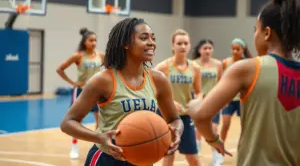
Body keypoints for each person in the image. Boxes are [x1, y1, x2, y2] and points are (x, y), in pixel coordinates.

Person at [187, 0, 300, 166]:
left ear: (267, 33)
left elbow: (200, 115)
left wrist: (213, 138)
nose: (254, 35)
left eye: (255, 29)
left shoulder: (248, 69)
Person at [60, 18, 184, 166]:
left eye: (153, 38)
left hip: (143, 159)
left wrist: (176, 131)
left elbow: (174, 119)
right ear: (125, 44)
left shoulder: (159, 80)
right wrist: (98, 137)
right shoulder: (102, 80)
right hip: (107, 158)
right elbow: (67, 122)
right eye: (144, 38)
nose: (151, 43)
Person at [56, 28, 104, 159]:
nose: (94, 43)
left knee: (100, 119)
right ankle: (74, 146)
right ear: (84, 42)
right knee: (76, 120)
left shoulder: (100, 55)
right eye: (91, 40)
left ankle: (98, 146)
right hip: (81, 90)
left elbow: (111, 68)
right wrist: (72, 82)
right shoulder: (78, 56)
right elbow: (59, 69)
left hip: (97, 92)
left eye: (95, 40)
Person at [156, 29, 201, 166]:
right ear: (172, 46)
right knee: (169, 154)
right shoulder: (163, 67)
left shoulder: (195, 68)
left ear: (189, 45)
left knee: (193, 158)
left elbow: (199, 92)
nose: (182, 46)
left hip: (185, 117)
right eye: (179, 43)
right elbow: (150, 90)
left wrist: (196, 101)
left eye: (185, 43)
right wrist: (168, 102)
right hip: (166, 116)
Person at [192, 39, 223, 166]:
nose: (208, 50)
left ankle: (217, 158)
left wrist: (223, 99)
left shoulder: (218, 64)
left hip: (214, 100)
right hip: (199, 101)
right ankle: (197, 148)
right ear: (199, 50)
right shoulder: (193, 64)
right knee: (198, 128)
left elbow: (221, 82)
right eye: (205, 48)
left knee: (214, 129)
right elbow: (191, 84)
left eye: (210, 48)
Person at [220, 38, 252, 142]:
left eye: (237, 49)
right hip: (228, 99)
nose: (235, 51)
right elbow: (221, 81)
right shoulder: (225, 62)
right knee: (225, 124)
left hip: (242, 99)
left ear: (243, 50)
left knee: (245, 126)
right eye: (233, 49)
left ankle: (246, 146)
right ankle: (219, 150)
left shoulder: (247, 63)